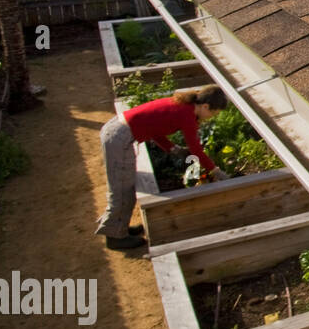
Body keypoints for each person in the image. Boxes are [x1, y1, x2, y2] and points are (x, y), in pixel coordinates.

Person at [96, 84, 230, 250]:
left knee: (125, 186)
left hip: (117, 130)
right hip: (119, 138)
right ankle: (115, 237)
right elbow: (196, 150)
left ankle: (119, 228)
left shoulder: (183, 105)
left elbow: (154, 128)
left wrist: (172, 148)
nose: (211, 117)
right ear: (205, 106)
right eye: (213, 113)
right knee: (122, 188)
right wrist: (215, 170)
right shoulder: (187, 115)